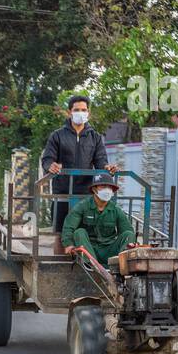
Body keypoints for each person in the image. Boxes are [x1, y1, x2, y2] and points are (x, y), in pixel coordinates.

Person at [40, 95, 115, 254]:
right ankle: (59, 267)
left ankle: (83, 268)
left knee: (84, 234)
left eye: (83, 110)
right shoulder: (58, 135)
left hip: (86, 195)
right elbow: (47, 159)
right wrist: (50, 166)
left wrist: (107, 167)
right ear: (69, 113)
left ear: (89, 112)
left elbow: (101, 161)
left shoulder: (95, 137)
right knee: (60, 234)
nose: (80, 113)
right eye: (76, 110)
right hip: (62, 193)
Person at [62, 172, 136, 266]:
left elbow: (127, 230)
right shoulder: (82, 206)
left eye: (109, 187)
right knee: (79, 232)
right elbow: (69, 227)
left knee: (129, 234)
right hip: (89, 249)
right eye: (103, 187)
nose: (107, 190)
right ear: (94, 189)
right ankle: (92, 266)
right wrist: (68, 244)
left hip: (109, 249)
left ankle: (120, 266)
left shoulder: (116, 209)